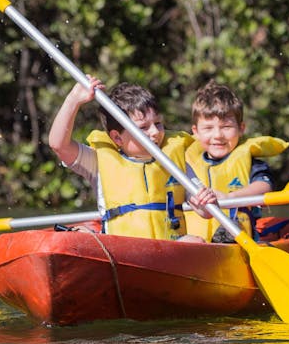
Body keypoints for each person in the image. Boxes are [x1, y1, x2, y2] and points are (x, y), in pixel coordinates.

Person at [48, 76, 216, 241]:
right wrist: (73, 100)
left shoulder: (174, 162)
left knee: (194, 242)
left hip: (169, 251)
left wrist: (205, 202)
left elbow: (206, 212)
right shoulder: (98, 162)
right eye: (143, 128)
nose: (155, 132)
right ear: (118, 138)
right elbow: (58, 145)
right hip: (124, 253)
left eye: (158, 123)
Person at [185, 80, 289, 243]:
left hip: (238, 238)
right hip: (199, 244)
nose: (218, 135)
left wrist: (229, 198)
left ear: (241, 128)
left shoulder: (249, 161)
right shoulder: (185, 167)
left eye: (226, 127)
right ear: (195, 132)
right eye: (208, 128)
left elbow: (264, 186)